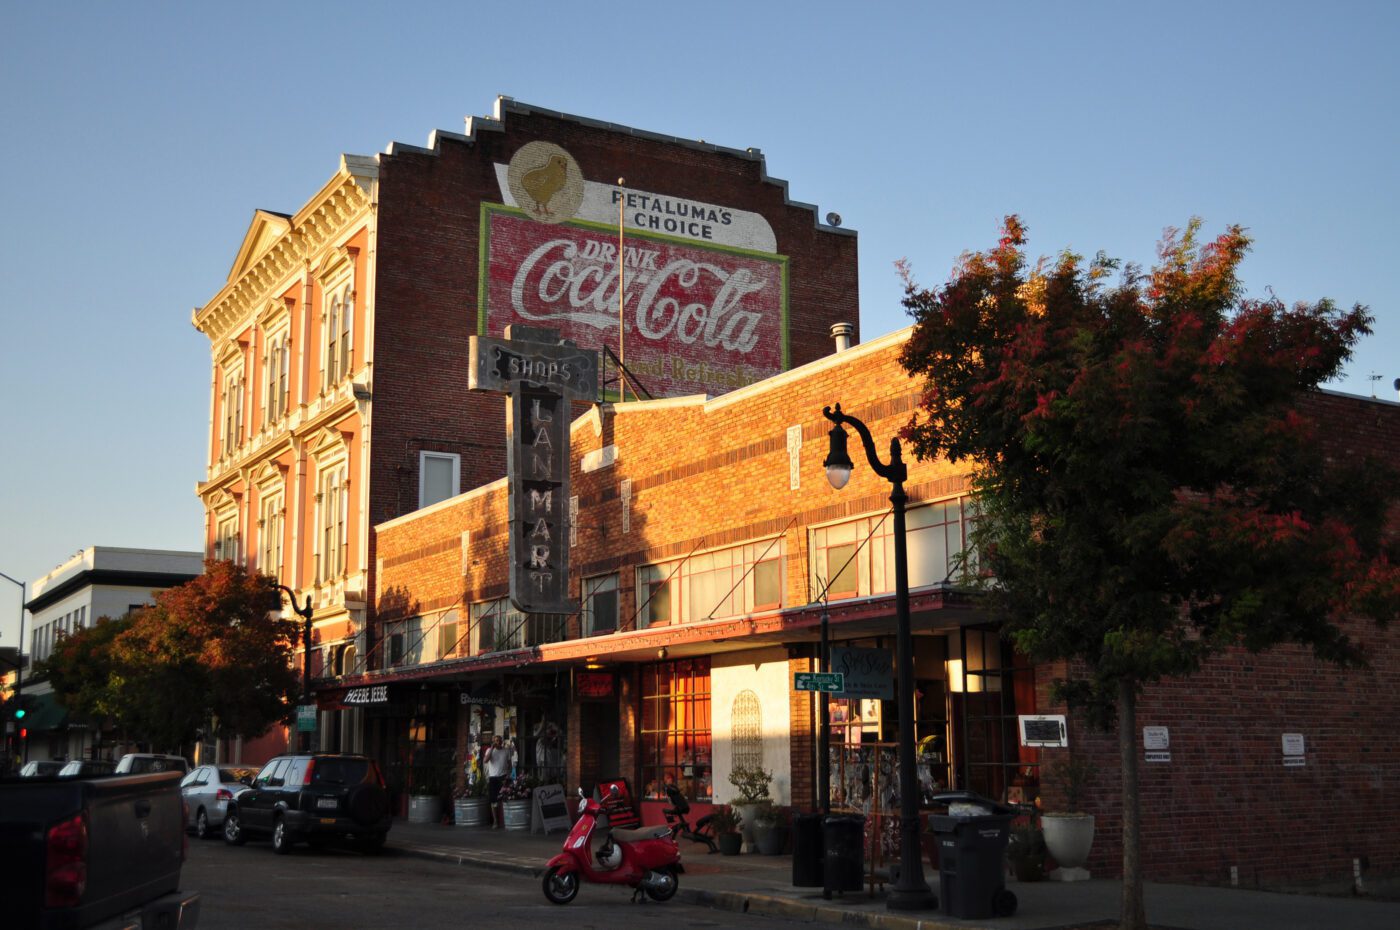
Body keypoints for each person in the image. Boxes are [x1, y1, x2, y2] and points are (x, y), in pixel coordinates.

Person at [482, 735, 512, 826]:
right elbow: (485, 761)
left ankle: (507, 820)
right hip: (493, 778)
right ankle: (495, 821)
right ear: (493, 741)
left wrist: (508, 775)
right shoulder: (489, 751)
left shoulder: (506, 751)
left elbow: (509, 764)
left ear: (502, 741)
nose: (497, 742)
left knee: (506, 799)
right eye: (495, 741)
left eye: (499, 740)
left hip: (503, 777)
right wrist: (491, 748)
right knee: (494, 801)